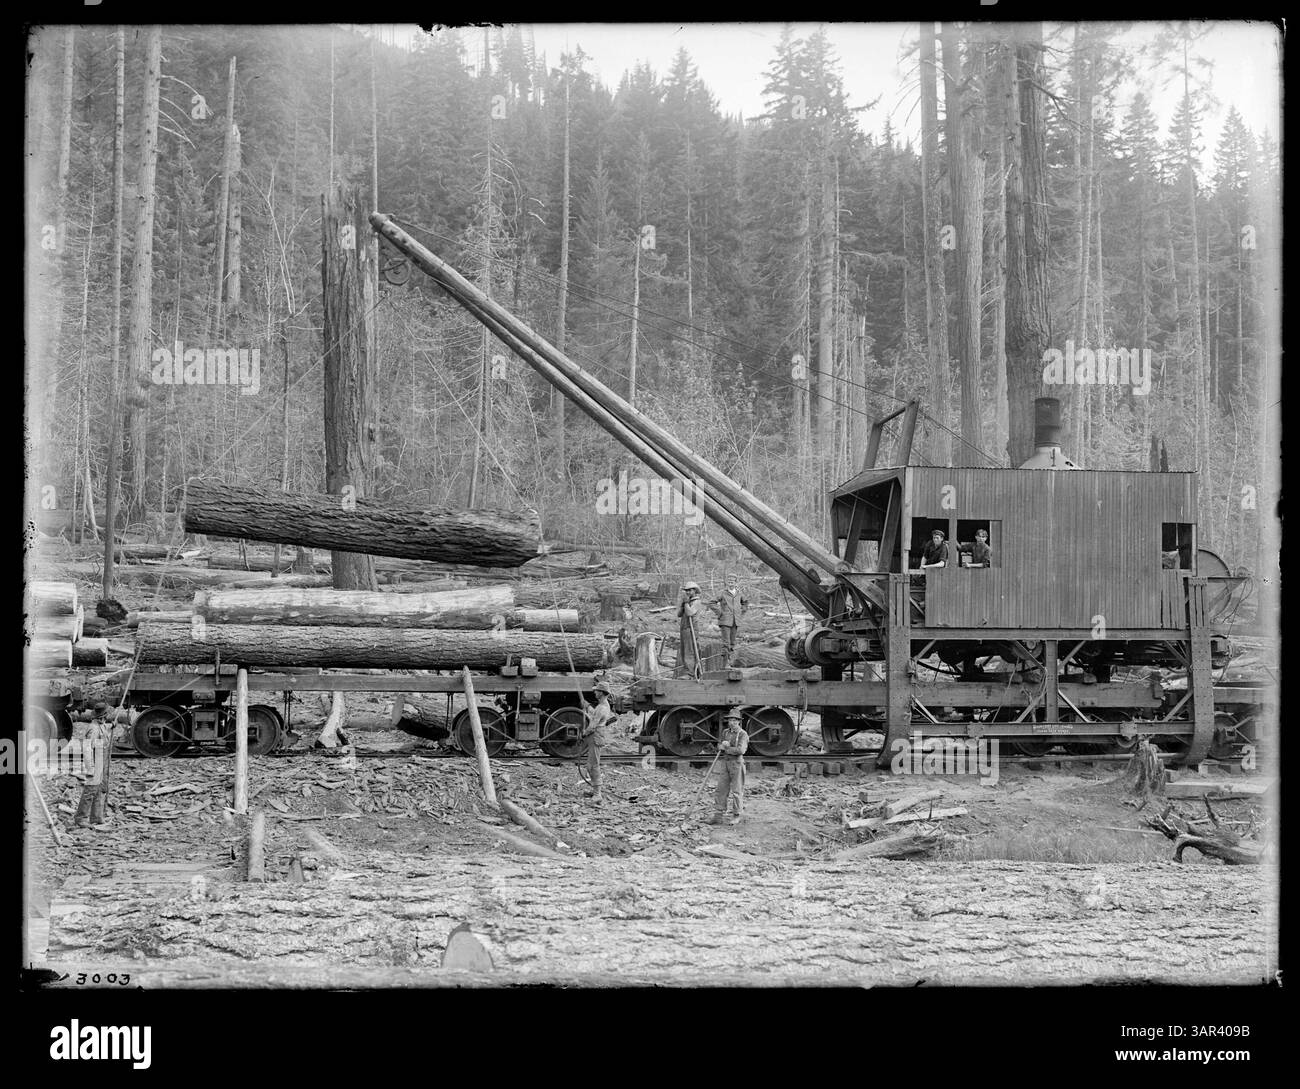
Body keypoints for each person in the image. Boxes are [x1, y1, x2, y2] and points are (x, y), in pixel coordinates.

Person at [711, 708, 749, 826]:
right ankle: (718, 816)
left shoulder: (743, 734)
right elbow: (719, 745)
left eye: (734, 720)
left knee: (737, 791)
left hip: (737, 764)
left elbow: (741, 750)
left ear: (738, 721)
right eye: (730, 720)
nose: (731, 722)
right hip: (725, 763)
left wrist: (726, 748)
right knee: (721, 789)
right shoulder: (725, 732)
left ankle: (736, 815)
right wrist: (720, 746)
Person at [582, 680, 616, 804]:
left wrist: (583, 733)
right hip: (596, 735)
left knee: (594, 765)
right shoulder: (602, 705)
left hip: (596, 736)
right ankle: (595, 790)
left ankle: (597, 795)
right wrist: (587, 706)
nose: (595, 692)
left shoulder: (602, 707)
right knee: (591, 765)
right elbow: (594, 714)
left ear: (601, 693)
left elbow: (593, 725)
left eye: (596, 690)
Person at [711, 573, 749, 660]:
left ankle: (731, 661)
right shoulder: (722, 593)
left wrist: (742, 610)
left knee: (732, 642)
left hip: (735, 621)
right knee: (726, 643)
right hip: (725, 621)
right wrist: (720, 613)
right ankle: (725, 663)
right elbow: (711, 603)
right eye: (729, 581)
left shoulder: (739, 593)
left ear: (736, 583)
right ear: (727, 583)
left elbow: (745, 602)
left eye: (732, 581)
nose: (730, 583)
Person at [676, 581, 704, 677]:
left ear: (695, 591)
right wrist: (683, 604)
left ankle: (690, 673)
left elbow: (690, 613)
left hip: (691, 629)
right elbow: (679, 614)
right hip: (684, 628)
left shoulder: (696, 602)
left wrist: (687, 603)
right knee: (684, 652)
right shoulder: (687, 602)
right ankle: (688, 671)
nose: (687, 592)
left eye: (689, 590)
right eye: (686, 590)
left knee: (689, 651)